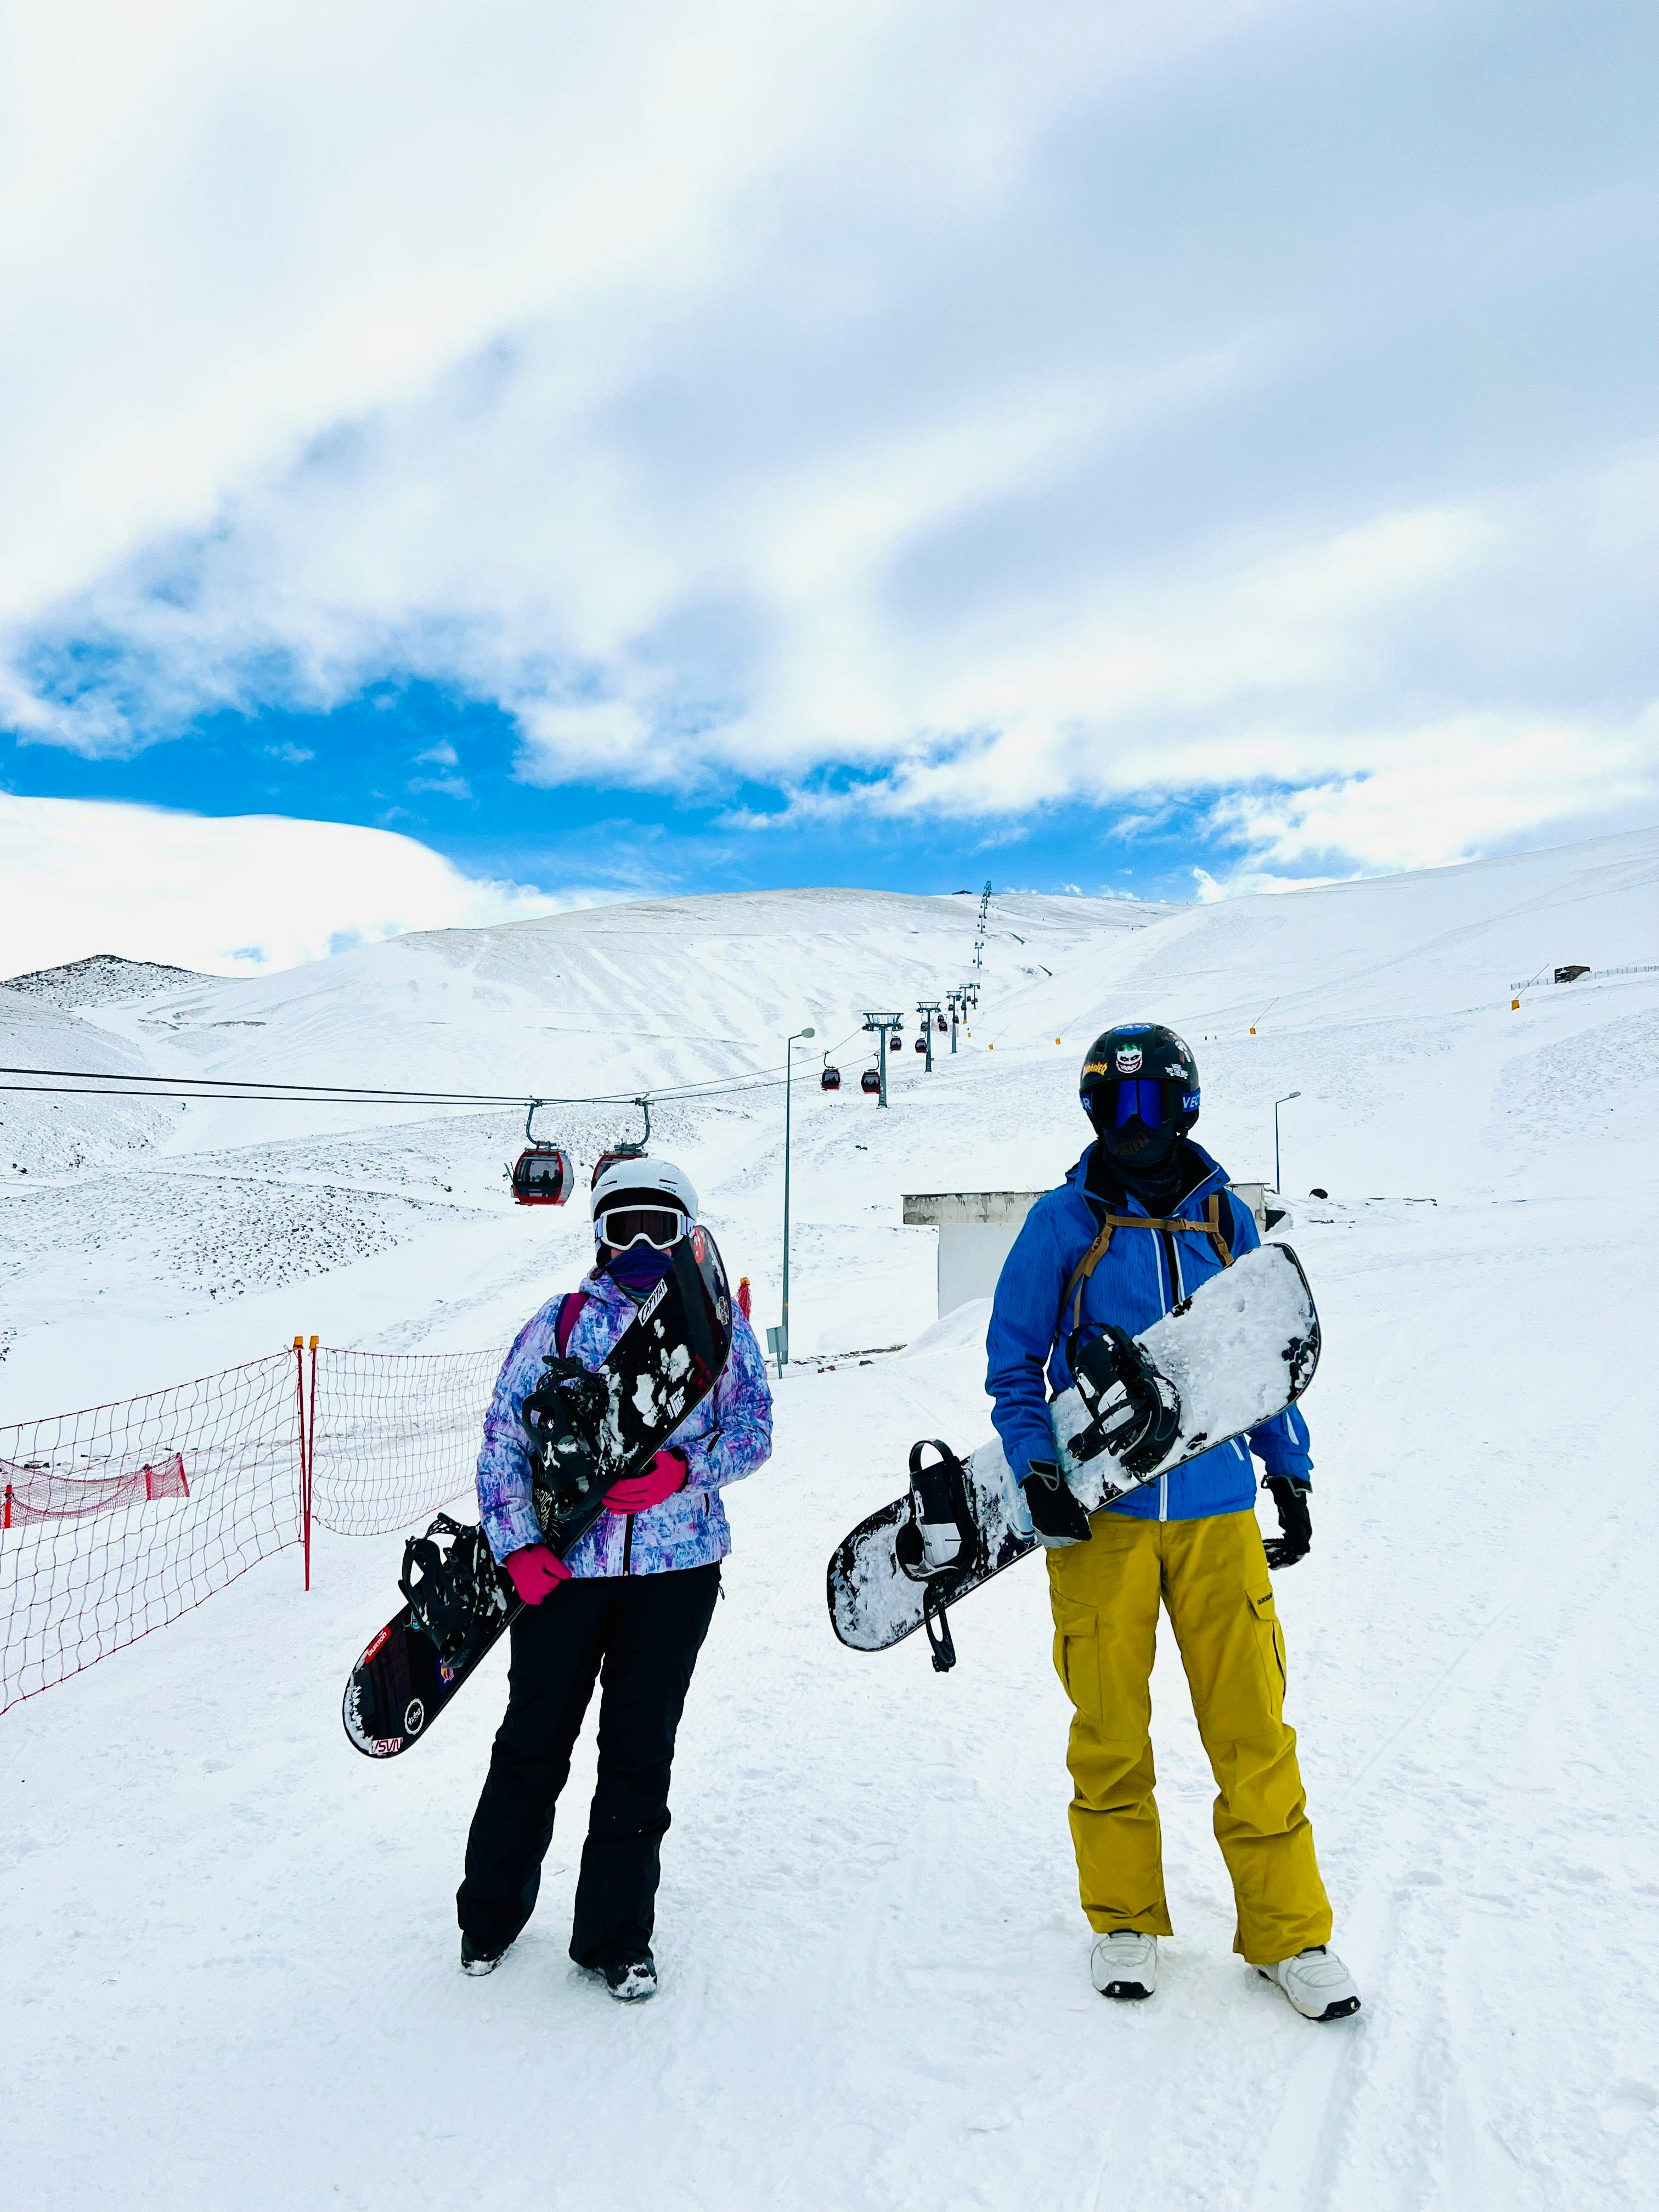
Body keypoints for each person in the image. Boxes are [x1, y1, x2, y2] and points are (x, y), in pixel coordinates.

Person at [985, 1025, 1360, 2022]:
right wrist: (1037, 1471)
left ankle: (1289, 1934)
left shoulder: (1225, 1219)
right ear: (1093, 1111)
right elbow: (1014, 1364)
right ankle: (1125, 1919)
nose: (1134, 1124)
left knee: (1252, 1727)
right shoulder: (1063, 1224)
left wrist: (1289, 1470)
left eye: (1151, 1104)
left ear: (1185, 1107)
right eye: (1115, 1105)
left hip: (1215, 1514)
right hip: (1099, 1522)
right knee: (1109, 1727)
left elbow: (1259, 1355)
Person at [457, 1155, 771, 2001]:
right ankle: (488, 1916)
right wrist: (518, 1546)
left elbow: (754, 1429)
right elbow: (503, 1440)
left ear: (685, 1236)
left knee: (638, 1756)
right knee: (533, 1743)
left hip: (676, 1574)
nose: (638, 1246)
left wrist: (684, 1472)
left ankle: (615, 1937)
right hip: (565, 1573)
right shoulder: (559, 1325)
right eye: (621, 1227)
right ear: (598, 1237)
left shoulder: (716, 1332)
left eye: (657, 1229)